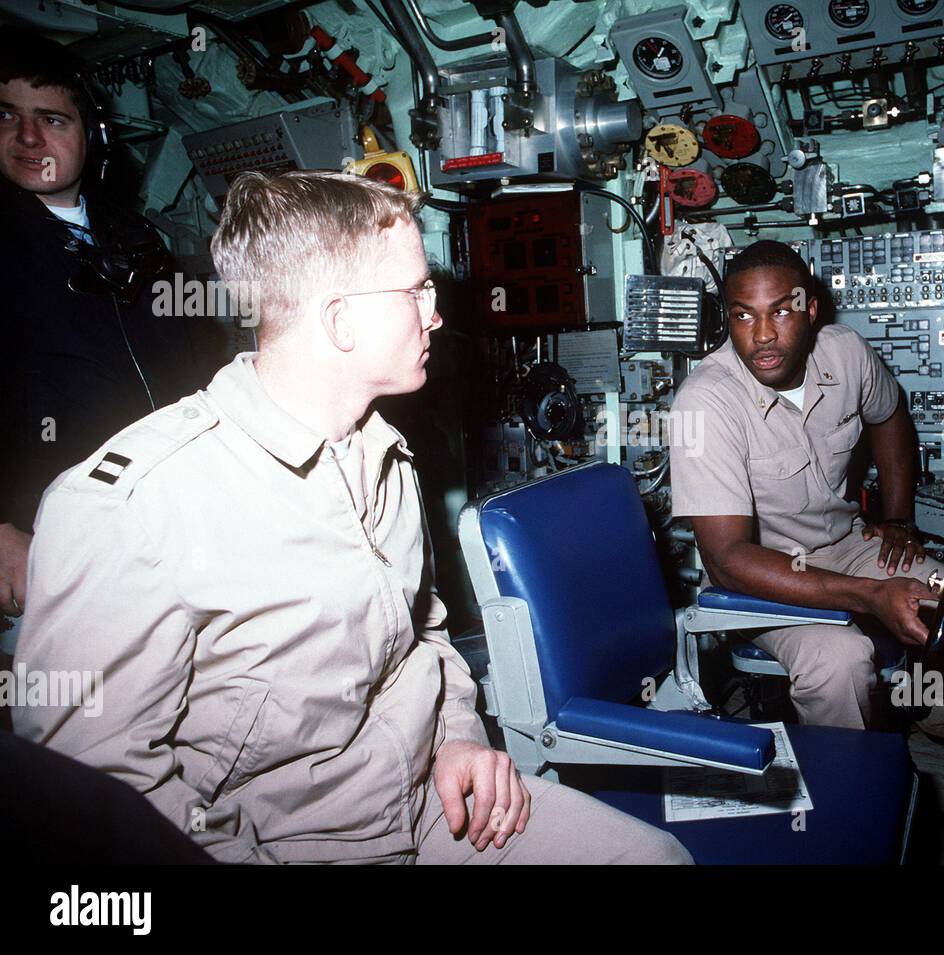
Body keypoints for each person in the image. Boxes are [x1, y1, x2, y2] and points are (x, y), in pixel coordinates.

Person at [13, 170, 691, 865]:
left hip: (428, 801)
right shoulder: (130, 506)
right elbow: (93, 789)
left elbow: (424, 632)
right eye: (414, 292)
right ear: (339, 319)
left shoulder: (383, 453)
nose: (434, 313)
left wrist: (460, 732)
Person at [670, 240, 944, 735]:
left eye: (780, 312)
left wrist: (897, 519)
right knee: (840, 660)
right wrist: (869, 595)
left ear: (810, 310)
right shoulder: (703, 402)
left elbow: (890, 418)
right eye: (743, 317)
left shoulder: (845, 352)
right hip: (763, 574)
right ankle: (842, 795)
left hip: (847, 544)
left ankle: (930, 711)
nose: (762, 336)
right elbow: (726, 559)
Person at [0, 27, 212, 661]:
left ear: (92, 137)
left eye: (53, 119)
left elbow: (191, 376)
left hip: (159, 533)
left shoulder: (139, 241)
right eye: (8, 115)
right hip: (42, 543)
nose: (30, 138)